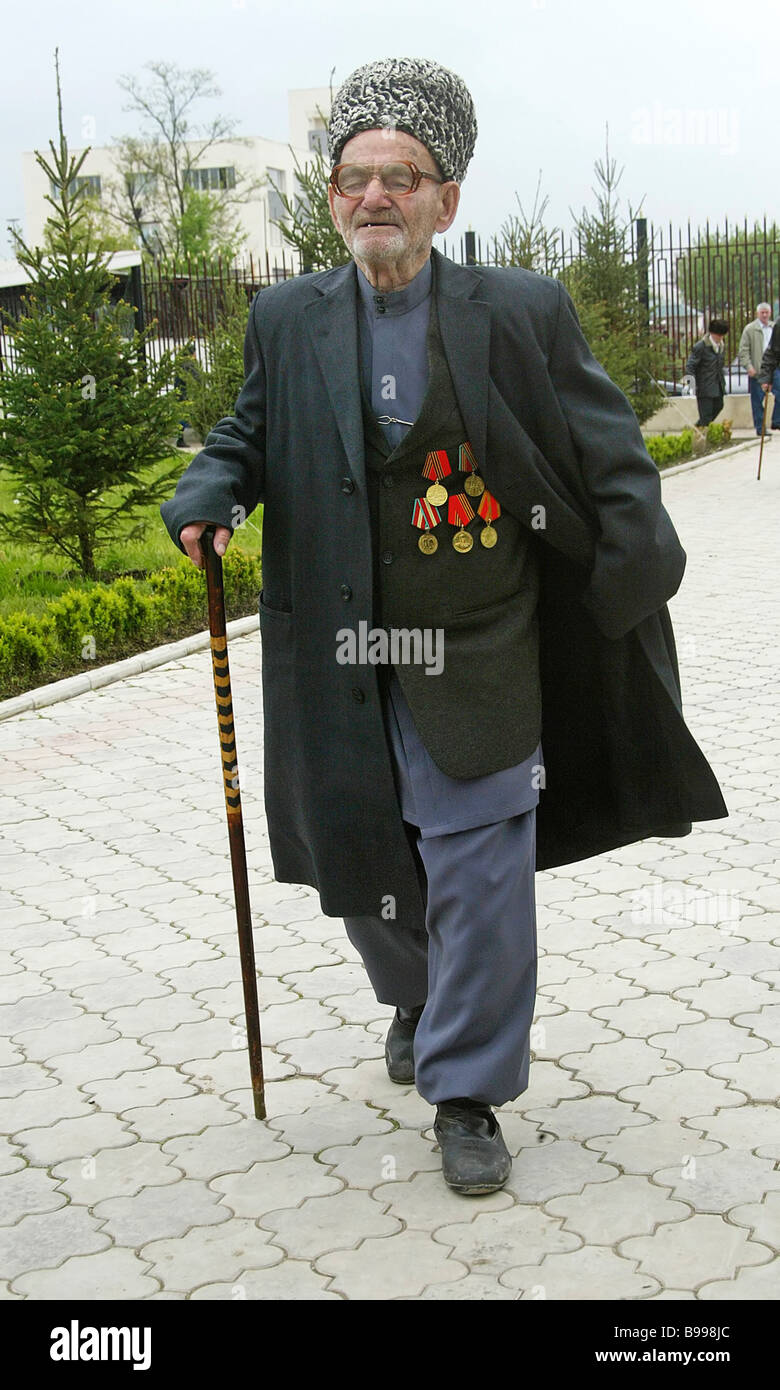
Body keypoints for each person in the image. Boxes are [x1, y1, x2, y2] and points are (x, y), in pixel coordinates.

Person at [160, 57, 726, 1195]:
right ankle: (417, 996)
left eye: (402, 177)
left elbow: (609, 456)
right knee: (360, 865)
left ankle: (467, 1091)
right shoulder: (287, 317)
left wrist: (618, 592)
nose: (376, 196)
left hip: (477, 648)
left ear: (446, 200)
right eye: (355, 177)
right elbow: (245, 435)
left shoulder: (519, 313)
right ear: (331, 198)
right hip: (341, 649)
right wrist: (207, 494)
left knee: (478, 873)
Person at [738, 303, 779, 437]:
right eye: (762, 312)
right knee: (757, 401)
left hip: (774, 369)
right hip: (757, 370)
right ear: (757, 314)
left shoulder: (775, 327)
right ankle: (760, 428)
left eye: (767, 312)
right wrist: (749, 366)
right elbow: (743, 351)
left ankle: (776, 421)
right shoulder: (750, 329)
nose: (765, 315)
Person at [685, 318, 729, 427]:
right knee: (706, 415)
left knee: (719, 406)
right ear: (712, 333)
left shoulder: (721, 346)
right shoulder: (701, 346)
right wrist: (691, 384)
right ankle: (700, 434)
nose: (720, 338)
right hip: (704, 386)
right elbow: (690, 365)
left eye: (722, 335)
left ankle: (699, 428)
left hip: (718, 385)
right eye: (718, 335)